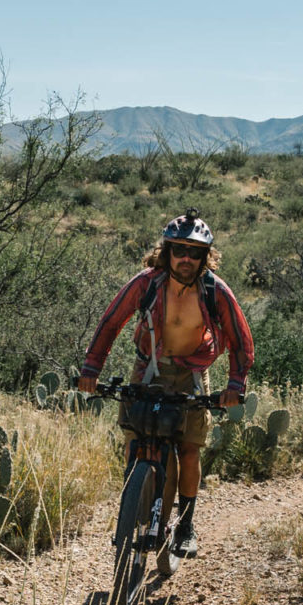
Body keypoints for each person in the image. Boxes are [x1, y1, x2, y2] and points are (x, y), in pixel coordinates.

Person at [77, 209, 255, 558]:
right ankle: (133, 511)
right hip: (148, 370)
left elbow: (240, 339)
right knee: (135, 441)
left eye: (194, 252)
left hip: (190, 374)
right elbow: (111, 322)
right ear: (167, 251)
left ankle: (186, 524)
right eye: (179, 250)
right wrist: (91, 368)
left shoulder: (214, 291)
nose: (186, 259)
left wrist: (235, 385)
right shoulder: (146, 283)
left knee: (188, 449)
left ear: (205, 257)